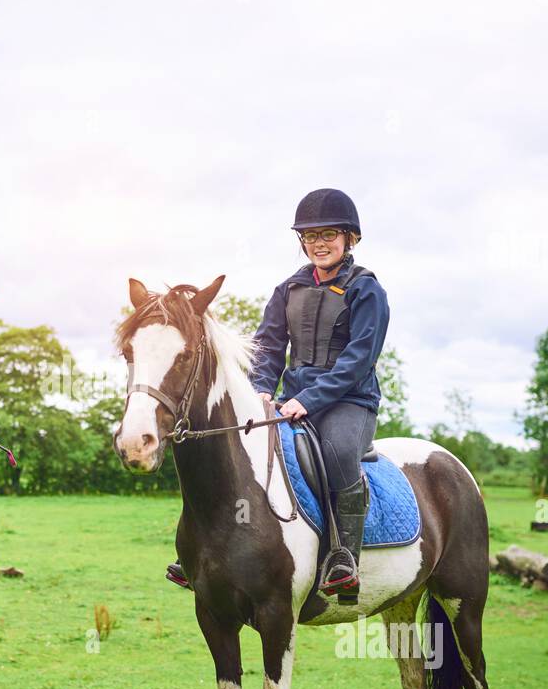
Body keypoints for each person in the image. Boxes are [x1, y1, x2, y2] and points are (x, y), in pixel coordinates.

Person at [166, 188, 389, 597]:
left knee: (339, 453)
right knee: (238, 452)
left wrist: (309, 399)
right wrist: (263, 391)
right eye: (310, 236)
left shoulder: (367, 290)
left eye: (328, 235)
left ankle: (344, 555)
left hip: (349, 402)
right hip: (290, 402)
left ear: (350, 238)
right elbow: (268, 347)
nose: (318, 244)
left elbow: (359, 359)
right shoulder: (288, 289)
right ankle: (201, 550)